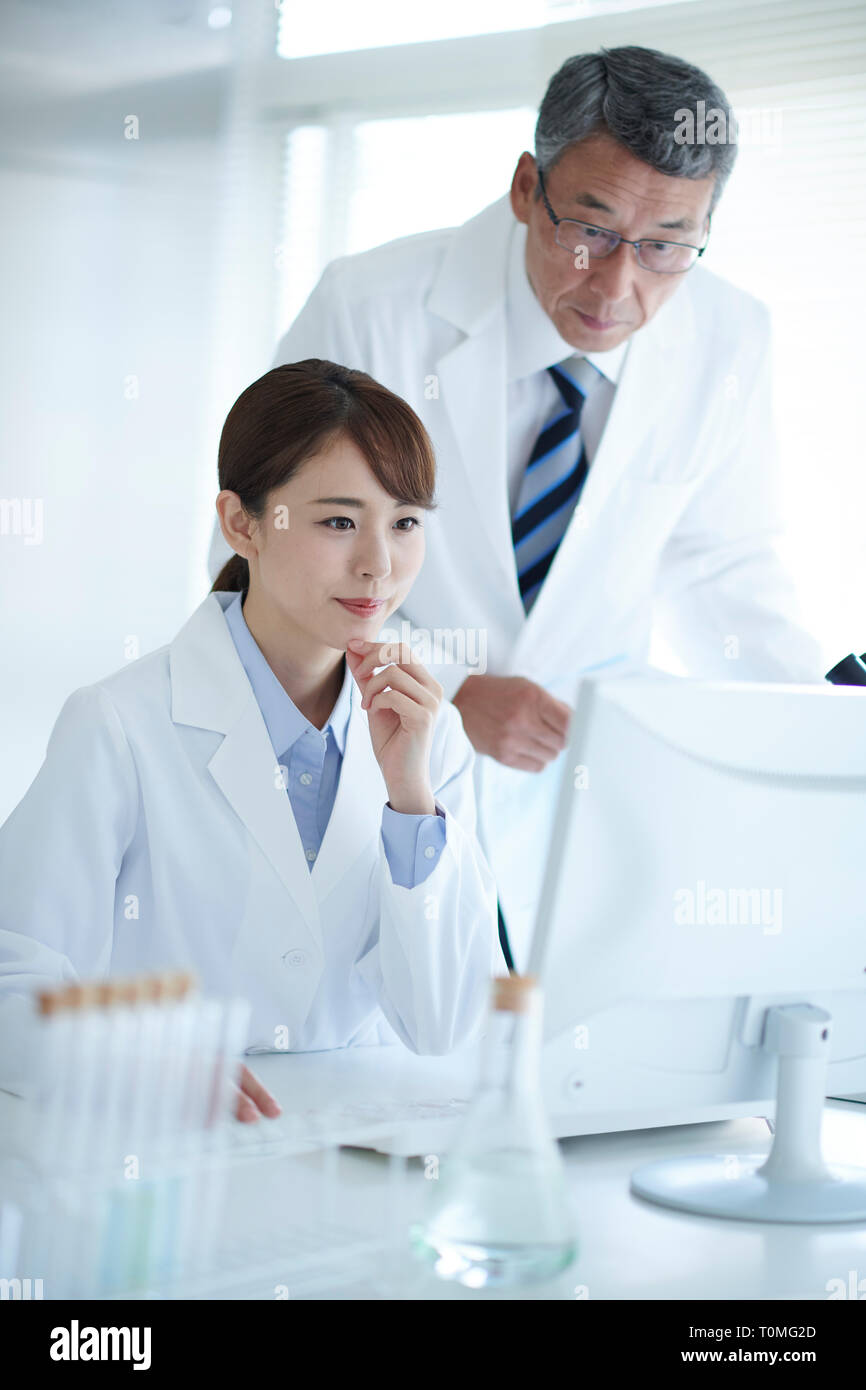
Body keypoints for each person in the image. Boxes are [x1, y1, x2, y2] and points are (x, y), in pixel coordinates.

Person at [210, 45, 823, 970]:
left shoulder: (731, 336)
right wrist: (449, 692)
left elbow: (722, 562)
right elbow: (274, 550)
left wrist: (827, 722)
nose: (619, 287)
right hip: (369, 753)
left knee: (559, 1058)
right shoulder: (374, 307)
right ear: (527, 186)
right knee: (366, 1035)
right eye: (593, 229)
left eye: (667, 245)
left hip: (579, 788)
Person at [0, 360, 501, 1115]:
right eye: (339, 521)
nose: (379, 564)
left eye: (405, 522)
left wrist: (411, 804)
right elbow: (13, 986)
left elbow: (444, 1027)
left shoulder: (435, 739)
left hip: (355, 1161)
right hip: (170, 1161)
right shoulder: (119, 724)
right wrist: (138, 1067)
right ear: (241, 523)